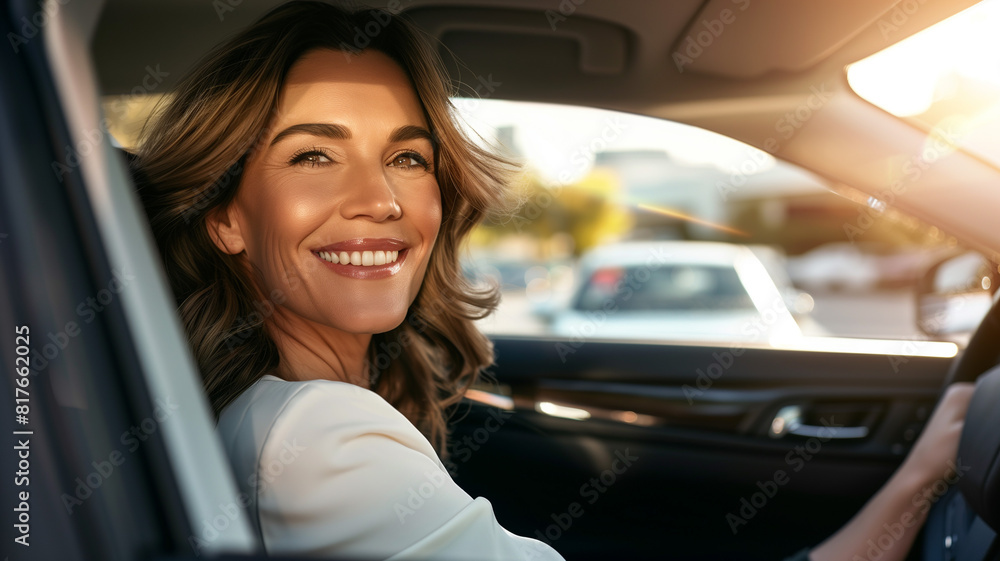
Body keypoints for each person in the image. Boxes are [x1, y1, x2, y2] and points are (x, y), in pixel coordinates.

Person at [132, 2, 974, 559]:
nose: (380, 198)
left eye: (407, 157)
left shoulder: (265, 417)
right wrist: (918, 482)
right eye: (313, 155)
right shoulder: (318, 441)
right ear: (225, 215)